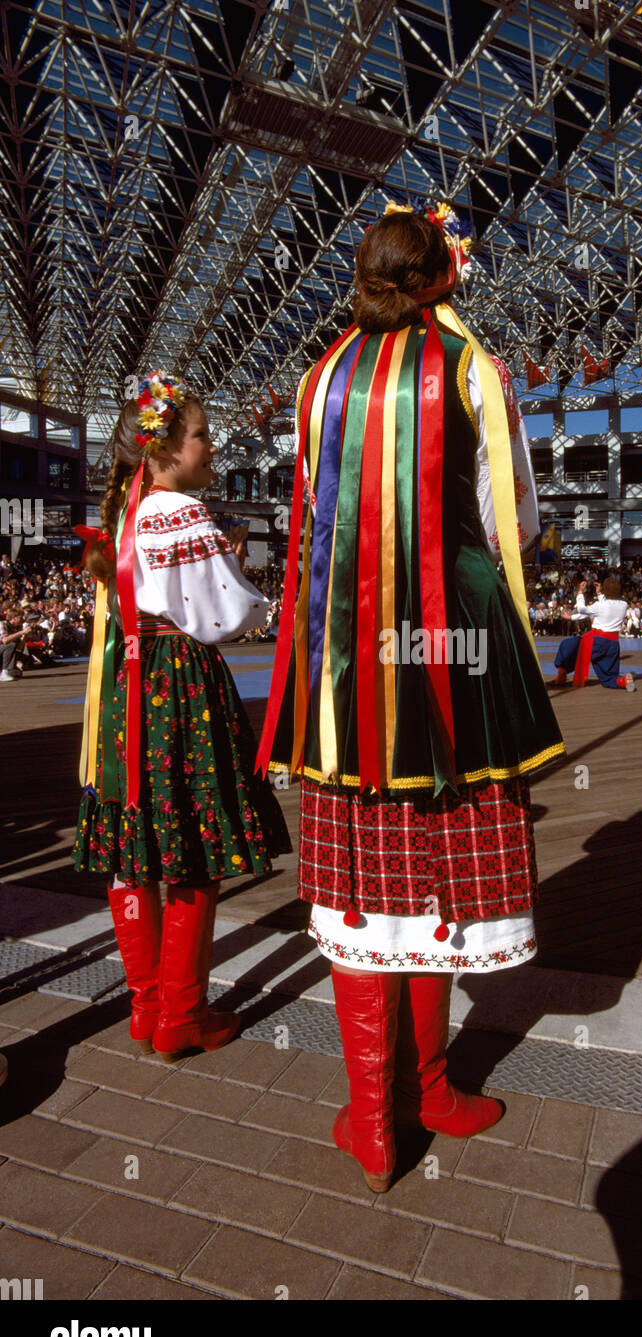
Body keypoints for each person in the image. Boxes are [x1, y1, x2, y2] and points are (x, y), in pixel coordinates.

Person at [255, 201, 565, 1192]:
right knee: (433, 863)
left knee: (358, 878)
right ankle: (430, 1089)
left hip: (345, 661)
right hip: (452, 654)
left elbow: (310, 509)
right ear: (442, 277)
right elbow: (506, 513)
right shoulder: (471, 367)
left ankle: (372, 1119)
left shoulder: (317, 379)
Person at [71, 372, 292, 1060]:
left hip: (127, 688)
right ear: (162, 448)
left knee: (135, 844)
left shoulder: (126, 513)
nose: (209, 444)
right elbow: (226, 616)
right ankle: (182, 1015)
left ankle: (145, 1008)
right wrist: (253, 586)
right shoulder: (185, 514)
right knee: (191, 848)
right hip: (183, 685)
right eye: (198, 434)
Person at [552, 578, 635, 691]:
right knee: (608, 677)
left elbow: (582, 609)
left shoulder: (600, 605)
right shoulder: (624, 605)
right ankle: (623, 681)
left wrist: (580, 592)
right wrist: (600, 593)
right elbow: (608, 605)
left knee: (568, 645)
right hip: (613, 644)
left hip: (597, 641)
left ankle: (562, 673)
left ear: (606, 590)